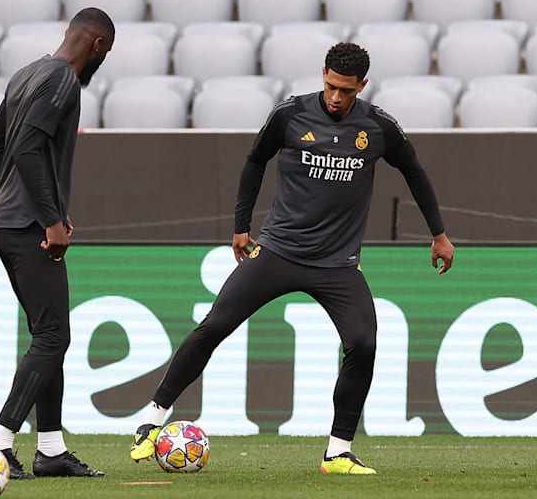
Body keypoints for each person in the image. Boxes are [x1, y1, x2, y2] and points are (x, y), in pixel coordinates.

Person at [128, 43, 454, 474]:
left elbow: (414, 171)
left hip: (338, 264)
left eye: (346, 90)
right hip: (278, 251)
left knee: (364, 343)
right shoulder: (290, 114)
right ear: (323, 74)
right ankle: (152, 420)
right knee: (215, 325)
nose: (336, 97)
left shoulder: (377, 127)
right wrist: (241, 225)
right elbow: (254, 161)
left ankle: (337, 452)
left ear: (362, 86)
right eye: (331, 86)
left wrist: (438, 234)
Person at [0, 7, 116, 479]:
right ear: (97, 45)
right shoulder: (63, 80)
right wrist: (50, 217)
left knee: (48, 334)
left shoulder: (25, 74)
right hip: (28, 226)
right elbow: (24, 150)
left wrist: (47, 203)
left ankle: (51, 450)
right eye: (106, 53)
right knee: (55, 335)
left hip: (5, 221)